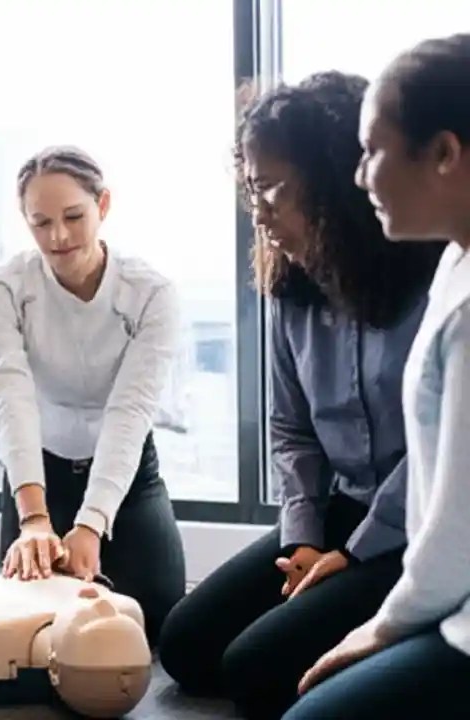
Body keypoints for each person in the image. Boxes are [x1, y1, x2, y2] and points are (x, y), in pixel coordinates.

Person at [154, 70, 444, 719]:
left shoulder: (433, 279)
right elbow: (293, 432)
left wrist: (354, 553)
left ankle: (405, 631)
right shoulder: (292, 287)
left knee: (254, 671)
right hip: (339, 511)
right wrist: (306, 540)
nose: (258, 214)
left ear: (341, 180)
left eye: (275, 190)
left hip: (415, 525)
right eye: (250, 190)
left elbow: (433, 449)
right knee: (185, 645)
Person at [286, 33, 470, 719]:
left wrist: (380, 628)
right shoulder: (455, 262)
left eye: (373, 151)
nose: (361, 177)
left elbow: (455, 528)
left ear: (445, 154)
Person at [0, 145, 187, 647]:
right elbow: (12, 400)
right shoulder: (2, 288)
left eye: (74, 216)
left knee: (156, 621)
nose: (59, 236)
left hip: (125, 470)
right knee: (28, 627)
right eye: (41, 222)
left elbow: (130, 411)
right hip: (38, 470)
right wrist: (33, 519)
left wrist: (92, 524)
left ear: (103, 206)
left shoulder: (151, 293)